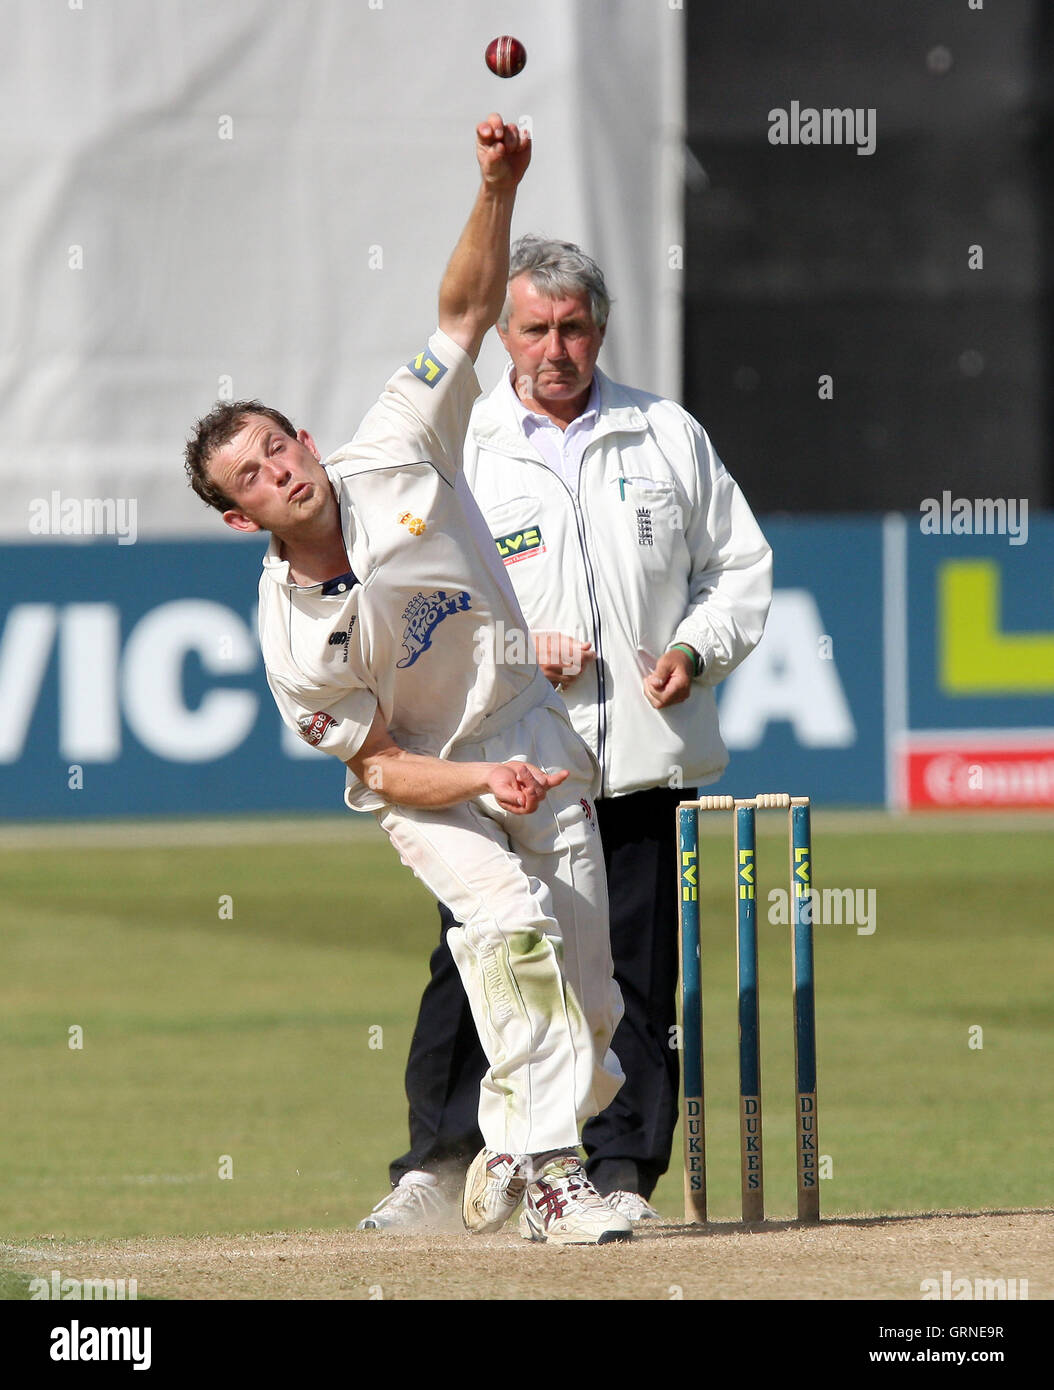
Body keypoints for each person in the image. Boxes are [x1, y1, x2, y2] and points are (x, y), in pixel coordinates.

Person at [182, 119, 634, 1246]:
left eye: (279, 445)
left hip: (526, 721)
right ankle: (551, 1176)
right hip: (431, 788)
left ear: (308, 437)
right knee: (507, 925)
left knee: (593, 1016)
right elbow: (380, 762)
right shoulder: (293, 639)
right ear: (241, 516)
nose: (281, 470)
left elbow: (463, 315)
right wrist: (485, 777)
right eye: (252, 476)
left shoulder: (391, 444)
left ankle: (518, 1133)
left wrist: (496, 188)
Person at [382, 234, 773, 1226]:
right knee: (486, 957)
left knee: (633, 981)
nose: (556, 347)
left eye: (574, 327)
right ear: (504, 336)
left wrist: (694, 648)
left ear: (598, 328)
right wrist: (511, 652)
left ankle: (615, 1176)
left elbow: (737, 568)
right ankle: (436, 1168)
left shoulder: (664, 433)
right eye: (535, 329)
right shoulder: (463, 446)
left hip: (640, 754)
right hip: (507, 755)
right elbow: (417, 599)